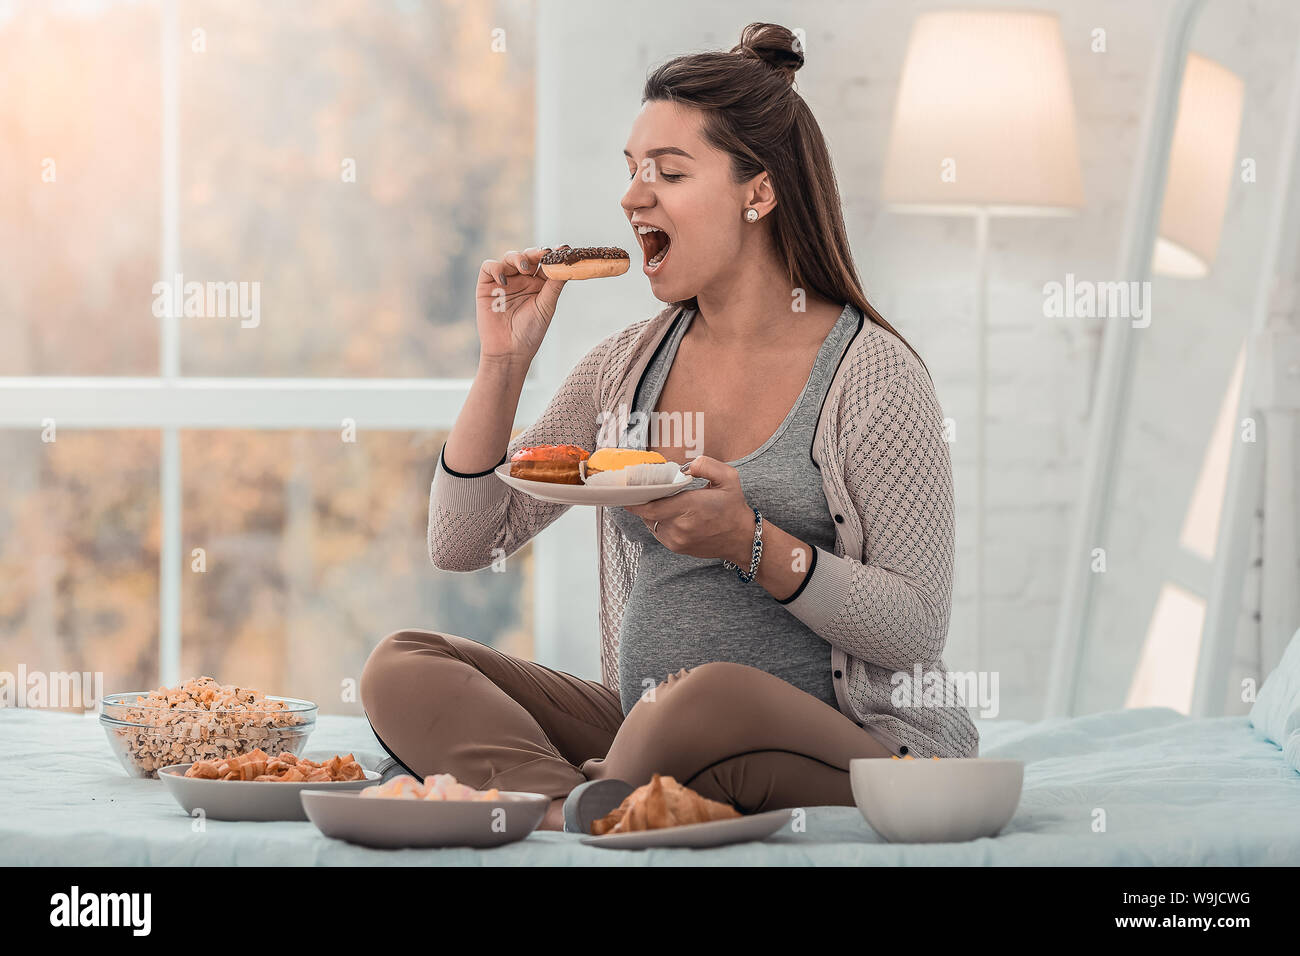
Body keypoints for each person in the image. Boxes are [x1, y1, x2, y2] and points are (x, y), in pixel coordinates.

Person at [362, 22, 978, 832]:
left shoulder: (873, 376)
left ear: (759, 193)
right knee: (404, 664)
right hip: (647, 724)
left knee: (706, 695)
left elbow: (914, 628)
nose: (632, 197)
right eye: (632, 171)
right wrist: (503, 364)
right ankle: (584, 806)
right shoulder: (626, 366)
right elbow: (465, 542)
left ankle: (588, 792)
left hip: (843, 743)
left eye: (669, 172)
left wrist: (750, 544)